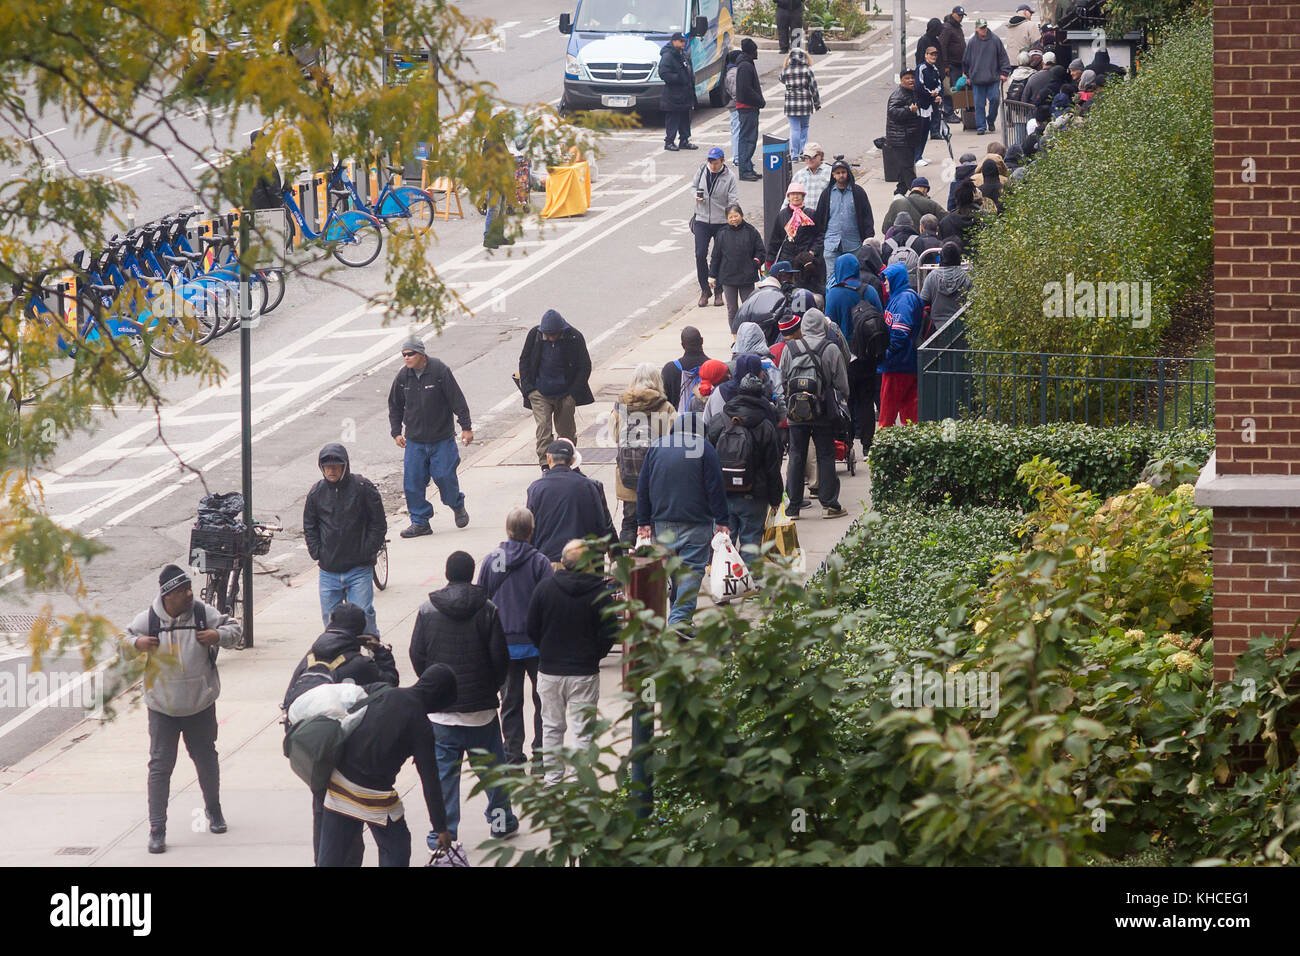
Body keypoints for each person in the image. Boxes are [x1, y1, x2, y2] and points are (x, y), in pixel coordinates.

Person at [124, 564, 242, 854]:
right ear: (168, 596)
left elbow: (234, 628)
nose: (190, 594)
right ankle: (157, 828)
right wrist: (137, 643)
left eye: (189, 588)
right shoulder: (149, 619)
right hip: (162, 708)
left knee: (206, 759)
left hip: (199, 704)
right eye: (183, 591)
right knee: (160, 767)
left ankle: (214, 811)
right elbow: (120, 644)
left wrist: (218, 636)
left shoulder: (202, 613)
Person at [409, 551, 519, 844]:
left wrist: (433, 689)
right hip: (481, 711)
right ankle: (501, 821)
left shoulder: (426, 610)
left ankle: (444, 833)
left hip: (441, 714)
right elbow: (500, 658)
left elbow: (416, 655)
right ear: (472, 574)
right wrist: (490, 689)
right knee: (492, 773)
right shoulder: (488, 609)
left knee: (444, 777)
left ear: (447, 574)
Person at [282, 602, 399, 867]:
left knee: (321, 812)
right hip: (343, 752)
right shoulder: (358, 663)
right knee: (347, 813)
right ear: (359, 633)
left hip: (309, 751)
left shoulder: (308, 659)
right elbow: (389, 686)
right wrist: (380, 651)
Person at [316, 664, 456, 867]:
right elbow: (430, 780)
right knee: (397, 846)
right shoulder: (420, 724)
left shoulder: (381, 690)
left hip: (338, 783)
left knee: (331, 858)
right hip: (374, 795)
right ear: (440, 698)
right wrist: (441, 827)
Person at [526, 539, 618, 784]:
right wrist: (595, 654)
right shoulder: (600, 594)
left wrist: (544, 650)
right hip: (584, 671)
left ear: (563, 562)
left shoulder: (545, 589)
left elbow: (531, 627)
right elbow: (610, 632)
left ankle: (553, 780)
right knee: (582, 730)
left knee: (552, 727)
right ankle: (579, 782)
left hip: (549, 670)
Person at [635, 412, 731, 631]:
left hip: (663, 523)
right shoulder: (705, 448)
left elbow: (643, 488)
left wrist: (643, 521)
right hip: (697, 522)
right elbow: (715, 487)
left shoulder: (657, 447)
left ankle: (676, 618)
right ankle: (680, 619)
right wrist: (722, 519)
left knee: (670, 571)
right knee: (691, 571)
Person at [478, 509, 554, 772]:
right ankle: (541, 757)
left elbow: (483, 601)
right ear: (531, 531)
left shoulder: (492, 560)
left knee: (510, 702)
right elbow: (549, 601)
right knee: (542, 700)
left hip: (504, 644)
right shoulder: (539, 562)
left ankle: (512, 756)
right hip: (535, 643)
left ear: (507, 529)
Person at [388, 336, 472, 538]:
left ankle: (456, 504)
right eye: (404, 355)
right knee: (412, 482)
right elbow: (395, 405)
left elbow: (457, 400)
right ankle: (420, 522)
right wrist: (396, 432)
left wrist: (466, 427)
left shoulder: (439, 371)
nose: (406, 358)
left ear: (421, 355)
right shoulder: (403, 378)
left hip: (441, 439)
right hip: (415, 442)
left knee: (444, 476)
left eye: (410, 354)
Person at [303, 443, 386, 637]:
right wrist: (317, 552)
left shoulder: (362, 488)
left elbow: (378, 523)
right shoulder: (316, 493)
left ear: (345, 466)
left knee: (363, 614)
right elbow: (310, 525)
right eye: (327, 467)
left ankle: (372, 646)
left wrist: (367, 551)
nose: (331, 470)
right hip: (329, 570)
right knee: (330, 619)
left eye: (336, 466)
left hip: (358, 568)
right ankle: (339, 653)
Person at [705, 358, 784, 557]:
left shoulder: (721, 420)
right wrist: (776, 498)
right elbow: (772, 466)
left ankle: (725, 583)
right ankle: (752, 585)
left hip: (724, 494)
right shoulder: (765, 425)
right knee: (751, 543)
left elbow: (707, 455)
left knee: (724, 544)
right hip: (754, 495)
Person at [779, 306, 849, 519]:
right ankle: (829, 504)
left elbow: (782, 380)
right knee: (825, 454)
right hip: (822, 411)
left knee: (796, 455)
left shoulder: (789, 349)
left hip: (795, 411)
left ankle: (793, 507)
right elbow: (842, 384)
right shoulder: (831, 349)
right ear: (823, 326)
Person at [518, 309, 594, 471]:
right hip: (540, 393)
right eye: (548, 334)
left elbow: (585, 366)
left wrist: (573, 394)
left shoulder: (574, 337)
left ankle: (569, 463)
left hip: (565, 393)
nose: (551, 337)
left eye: (554, 334)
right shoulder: (534, 335)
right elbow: (524, 360)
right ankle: (545, 465)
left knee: (566, 432)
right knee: (543, 429)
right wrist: (529, 389)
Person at [609, 364, 676, 542]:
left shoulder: (621, 406)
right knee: (655, 524)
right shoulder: (665, 407)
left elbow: (614, 435)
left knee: (630, 522)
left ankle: (625, 563)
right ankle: (653, 564)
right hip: (656, 479)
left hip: (628, 478)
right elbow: (673, 440)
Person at [525, 439, 616, 563]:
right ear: (573, 461)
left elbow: (529, 530)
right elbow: (602, 526)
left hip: (549, 562)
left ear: (549, 458)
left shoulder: (535, 489)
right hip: (584, 561)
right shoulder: (589, 486)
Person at [690, 147, 740, 308]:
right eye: (710, 162)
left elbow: (733, 199)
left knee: (719, 257)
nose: (712, 166)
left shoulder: (730, 177)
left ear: (722, 161)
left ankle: (718, 290)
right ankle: (705, 290)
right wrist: (696, 196)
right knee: (699, 254)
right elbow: (693, 187)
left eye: (716, 163)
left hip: (721, 221)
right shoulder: (702, 170)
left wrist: (731, 216)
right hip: (702, 219)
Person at [877, 262, 925, 428]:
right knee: (910, 414)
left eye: (887, 279)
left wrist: (885, 355)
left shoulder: (904, 300)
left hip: (898, 365)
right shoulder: (900, 297)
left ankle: (883, 450)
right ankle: (911, 448)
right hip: (906, 363)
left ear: (896, 279)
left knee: (887, 415)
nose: (885, 282)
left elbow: (899, 334)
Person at [816, 158, 874, 286]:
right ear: (833, 175)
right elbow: (819, 220)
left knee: (854, 278)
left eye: (843, 172)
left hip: (854, 244)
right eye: (838, 173)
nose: (841, 175)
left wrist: (868, 238)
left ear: (848, 173)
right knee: (831, 279)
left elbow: (867, 217)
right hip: (831, 243)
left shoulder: (858, 192)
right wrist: (821, 241)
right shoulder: (826, 194)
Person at [709, 203, 766, 325]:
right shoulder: (722, 233)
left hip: (747, 277)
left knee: (748, 308)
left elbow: (761, 251)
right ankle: (735, 337)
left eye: (736, 216)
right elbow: (716, 256)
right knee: (732, 309)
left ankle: (749, 333)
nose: (733, 219)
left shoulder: (751, 231)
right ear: (727, 218)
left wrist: (755, 263)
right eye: (730, 217)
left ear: (741, 215)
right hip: (728, 278)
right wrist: (712, 275)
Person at [848, 289, 883, 457]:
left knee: (847, 401)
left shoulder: (834, 294)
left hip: (847, 356)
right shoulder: (870, 291)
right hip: (869, 356)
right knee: (866, 403)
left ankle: (847, 443)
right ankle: (867, 445)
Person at [729, 321, 787, 422]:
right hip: (765, 421)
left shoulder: (732, 363)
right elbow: (779, 395)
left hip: (737, 422)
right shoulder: (768, 365)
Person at [766, 182, 823, 281]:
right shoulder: (782, 215)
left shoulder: (811, 214)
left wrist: (812, 251)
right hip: (786, 259)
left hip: (805, 260)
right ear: (788, 197)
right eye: (792, 194)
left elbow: (820, 235)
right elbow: (775, 239)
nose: (795, 197)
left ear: (803, 196)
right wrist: (770, 259)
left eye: (798, 194)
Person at [962, 19, 1011, 135]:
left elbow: (1003, 57)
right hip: (977, 79)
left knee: (994, 100)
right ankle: (981, 126)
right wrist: (967, 75)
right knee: (979, 104)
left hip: (992, 78)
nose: (983, 30)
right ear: (976, 28)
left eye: (984, 27)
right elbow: (966, 61)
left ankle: (991, 120)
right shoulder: (972, 42)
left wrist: (1004, 73)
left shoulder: (995, 40)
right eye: (981, 28)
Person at [884, 69, 926, 196]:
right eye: (907, 78)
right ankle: (918, 194)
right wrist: (908, 110)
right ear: (901, 81)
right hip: (900, 139)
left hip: (910, 137)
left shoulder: (912, 93)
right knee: (908, 168)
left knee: (905, 168)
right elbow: (893, 112)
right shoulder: (898, 95)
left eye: (912, 78)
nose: (911, 80)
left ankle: (899, 193)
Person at [779, 47, 820, 164]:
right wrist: (817, 104)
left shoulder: (785, 70)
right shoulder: (807, 70)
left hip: (791, 103)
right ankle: (803, 151)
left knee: (794, 128)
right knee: (804, 127)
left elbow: (781, 79)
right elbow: (814, 88)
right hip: (805, 103)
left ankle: (794, 154)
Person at [659, 32, 697, 151]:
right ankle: (669, 141)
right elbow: (663, 73)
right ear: (674, 41)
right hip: (674, 94)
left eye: (684, 41)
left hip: (686, 93)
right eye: (681, 41)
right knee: (673, 119)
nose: (683, 43)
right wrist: (678, 78)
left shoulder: (684, 54)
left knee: (685, 118)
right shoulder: (668, 56)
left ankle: (684, 140)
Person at [920, 240, 971, 328]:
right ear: (958, 258)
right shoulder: (966, 278)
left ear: (941, 258)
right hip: (960, 329)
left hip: (936, 328)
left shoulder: (931, 277)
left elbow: (923, 302)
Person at [734, 38, 765, 181]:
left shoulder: (745, 64)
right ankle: (745, 170)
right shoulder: (745, 66)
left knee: (748, 139)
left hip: (747, 107)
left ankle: (748, 167)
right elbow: (746, 89)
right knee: (748, 139)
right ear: (751, 51)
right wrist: (759, 101)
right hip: (747, 108)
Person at [662, 326, 710, 406]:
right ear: (702, 341)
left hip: (678, 417)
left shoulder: (670, 370)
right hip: (706, 417)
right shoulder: (715, 369)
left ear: (683, 345)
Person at [916, 45, 945, 166]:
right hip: (922, 104)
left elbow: (939, 84)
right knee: (920, 131)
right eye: (931, 54)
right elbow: (919, 85)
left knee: (926, 130)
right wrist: (931, 94)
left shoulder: (935, 69)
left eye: (935, 55)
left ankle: (920, 155)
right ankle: (916, 157)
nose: (933, 57)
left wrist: (938, 94)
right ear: (926, 55)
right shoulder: (921, 68)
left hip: (930, 105)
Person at [825, 252, 863, 343]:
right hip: (869, 347)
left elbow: (829, 325)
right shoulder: (870, 290)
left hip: (845, 348)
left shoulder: (833, 294)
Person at [938, 5, 968, 116]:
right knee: (950, 89)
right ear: (953, 14)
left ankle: (952, 112)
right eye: (959, 15)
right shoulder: (947, 27)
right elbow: (942, 46)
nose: (961, 17)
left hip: (958, 63)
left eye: (962, 15)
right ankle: (949, 112)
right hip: (951, 64)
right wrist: (945, 65)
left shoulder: (957, 27)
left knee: (956, 88)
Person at [940, 178, 984, 252]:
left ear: (956, 199)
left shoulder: (945, 222)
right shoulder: (985, 218)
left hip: (954, 261)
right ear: (973, 197)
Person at [785, 143, 831, 212]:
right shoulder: (799, 175)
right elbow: (788, 198)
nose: (809, 160)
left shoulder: (830, 172)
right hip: (803, 218)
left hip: (824, 217)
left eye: (813, 157)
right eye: (806, 157)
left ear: (821, 155)